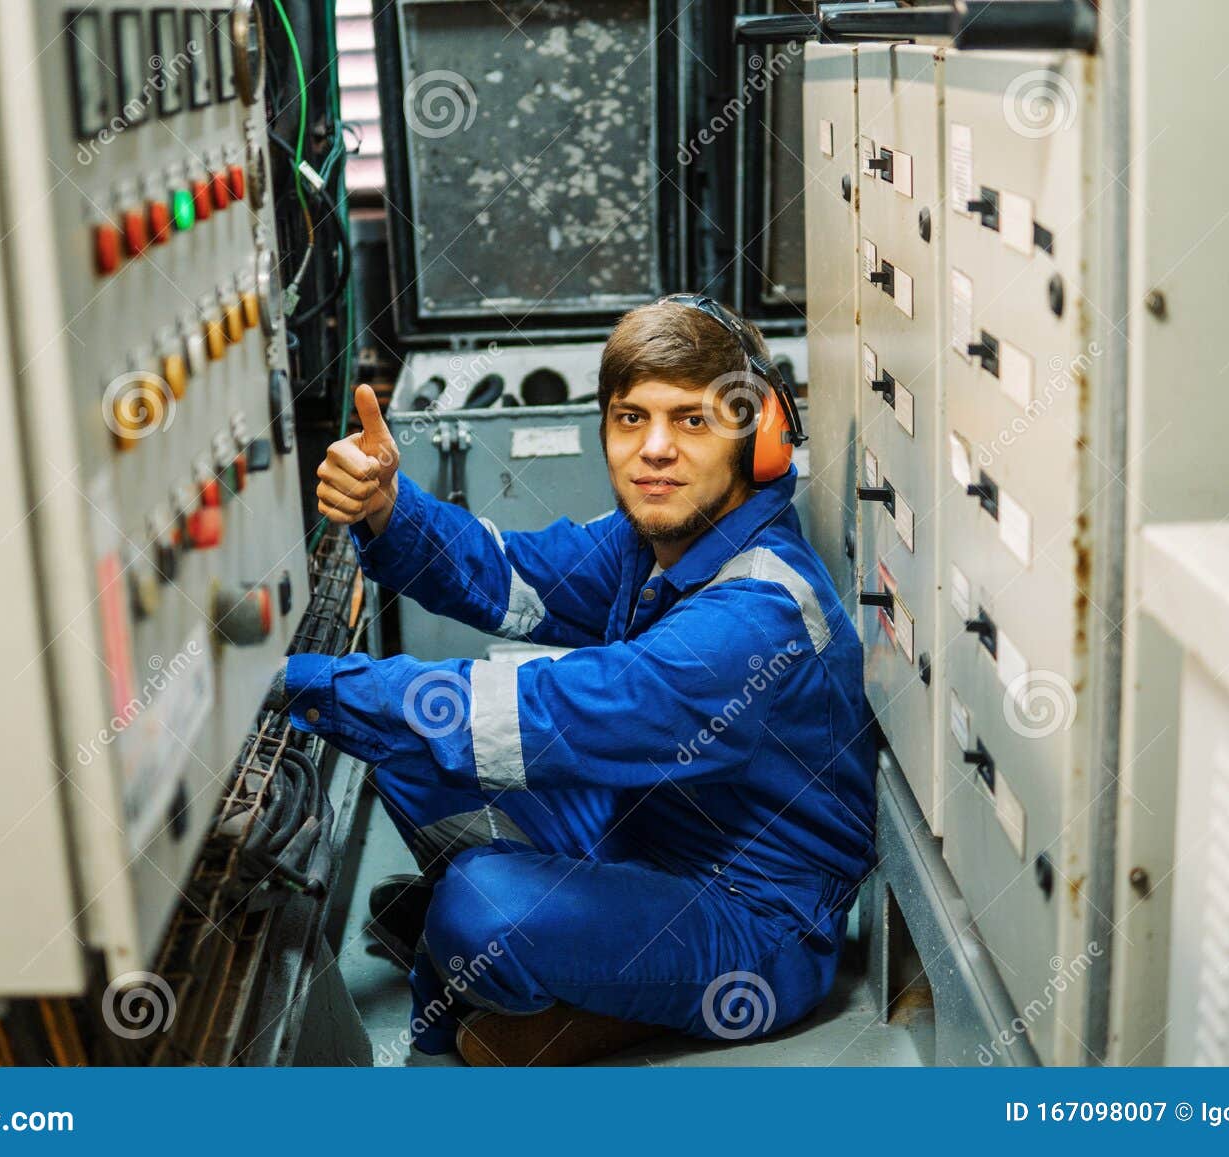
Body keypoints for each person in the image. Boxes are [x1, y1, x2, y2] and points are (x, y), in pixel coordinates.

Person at [278, 295, 877, 1065]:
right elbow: (509, 574)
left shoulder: (759, 613)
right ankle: (561, 954)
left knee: (480, 903)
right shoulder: (650, 538)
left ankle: (552, 966)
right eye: (631, 418)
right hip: (643, 825)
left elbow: (553, 711)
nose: (653, 449)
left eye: (691, 420)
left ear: (757, 440)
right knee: (408, 749)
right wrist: (391, 508)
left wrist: (306, 684)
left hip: (754, 918)